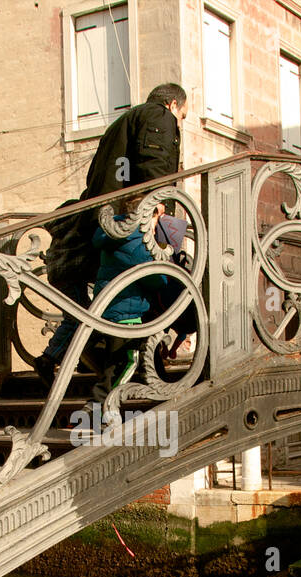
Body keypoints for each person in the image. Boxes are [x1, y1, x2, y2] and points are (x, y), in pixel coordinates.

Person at [36, 83, 188, 385]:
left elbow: (100, 175)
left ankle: (113, 377)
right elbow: (154, 161)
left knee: (100, 310)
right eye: (182, 116)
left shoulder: (122, 123)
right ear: (173, 105)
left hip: (109, 220)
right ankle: (114, 401)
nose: (179, 122)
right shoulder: (159, 116)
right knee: (154, 295)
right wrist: (156, 205)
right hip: (133, 223)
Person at [84, 199, 170, 414]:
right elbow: (156, 279)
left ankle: (159, 385)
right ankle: (97, 405)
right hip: (127, 313)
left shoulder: (112, 235)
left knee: (122, 356)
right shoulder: (136, 243)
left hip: (107, 309)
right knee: (128, 361)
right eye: (158, 214)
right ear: (144, 216)